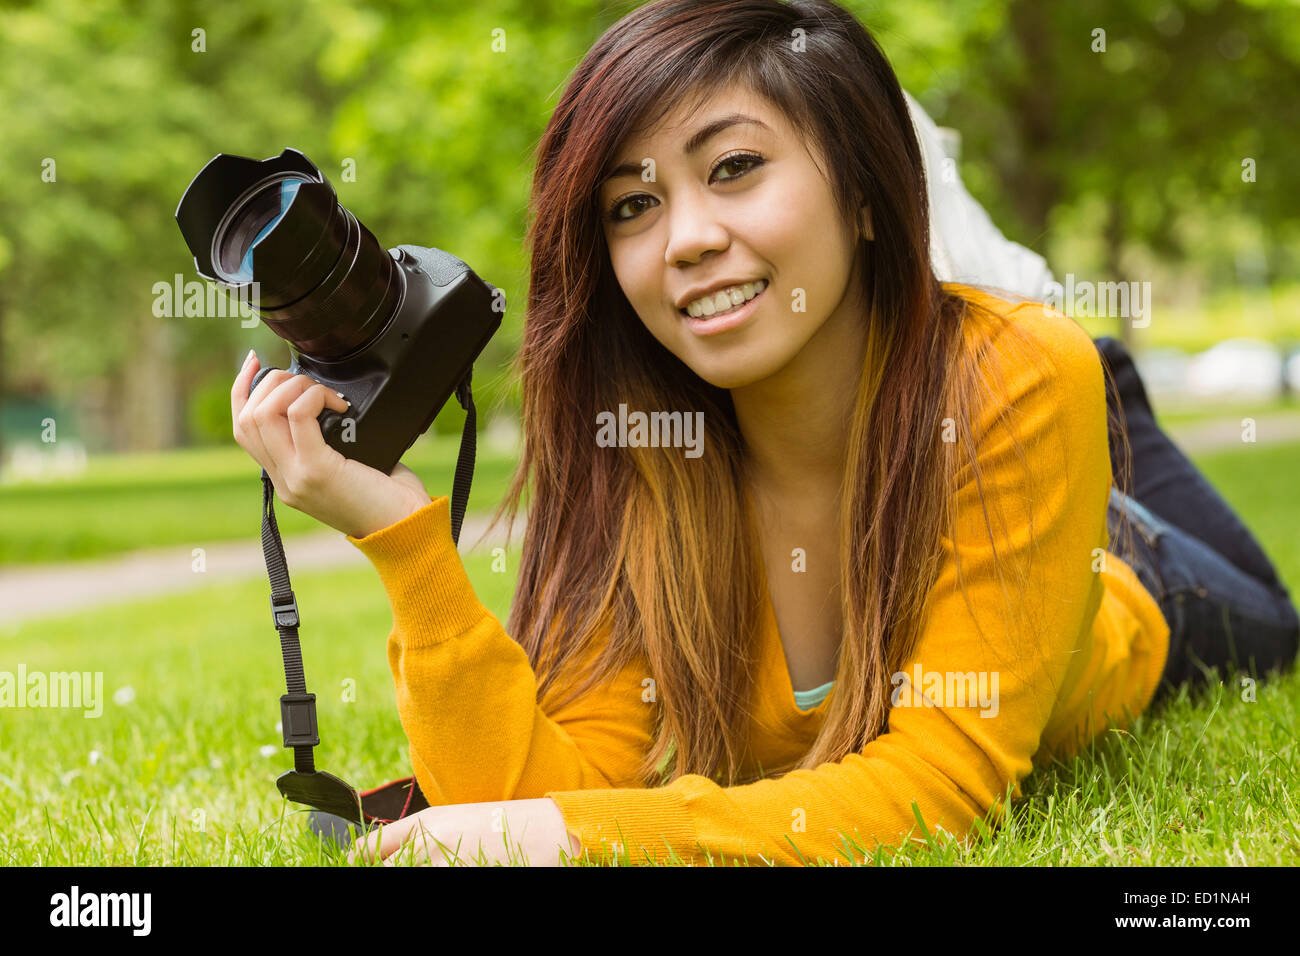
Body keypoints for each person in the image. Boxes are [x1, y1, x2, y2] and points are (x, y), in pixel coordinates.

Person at [230, 0, 1298, 866]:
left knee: (1279, 631)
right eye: (629, 207)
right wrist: (403, 538)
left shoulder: (1015, 381)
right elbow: (528, 799)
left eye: (733, 165)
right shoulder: (634, 444)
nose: (685, 238)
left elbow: (939, 789)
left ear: (865, 195)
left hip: (1126, 562)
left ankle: (1015, 305)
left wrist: (575, 841)